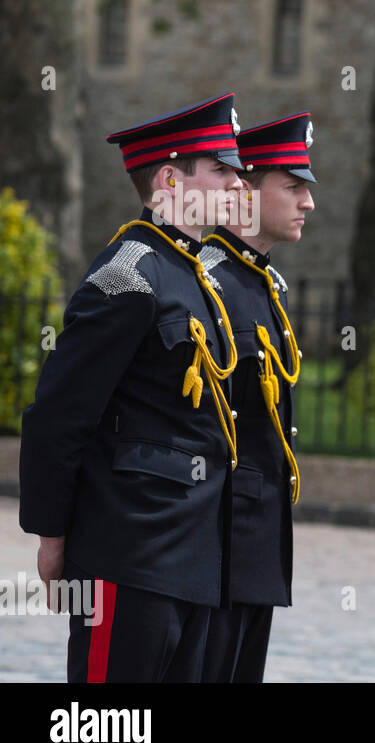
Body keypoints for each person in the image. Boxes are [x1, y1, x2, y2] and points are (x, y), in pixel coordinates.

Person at [19, 93, 245, 682]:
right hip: (129, 552)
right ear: (171, 178)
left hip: (195, 556)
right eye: (220, 169)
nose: (236, 182)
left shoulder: (197, 276)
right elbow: (60, 415)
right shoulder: (128, 274)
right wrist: (52, 535)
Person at [198, 111, 316, 682]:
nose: (308, 202)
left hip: (255, 543)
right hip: (209, 541)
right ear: (245, 190)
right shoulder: (209, 279)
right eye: (292, 187)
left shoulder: (264, 283)